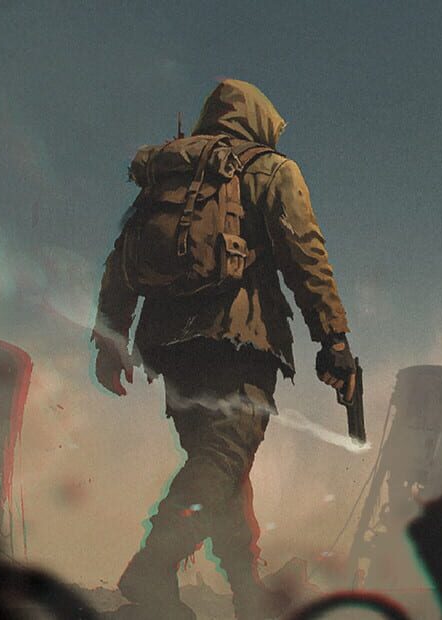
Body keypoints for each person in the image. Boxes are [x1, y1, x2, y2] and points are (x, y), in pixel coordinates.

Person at [92, 79, 355, 620]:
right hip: (241, 342)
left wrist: (109, 341)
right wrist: (333, 340)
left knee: (221, 474)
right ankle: (154, 565)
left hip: (168, 350)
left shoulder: (168, 176)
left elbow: (121, 261)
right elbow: (306, 258)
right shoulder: (271, 170)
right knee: (223, 459)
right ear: (259, 120)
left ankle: (247, 593)